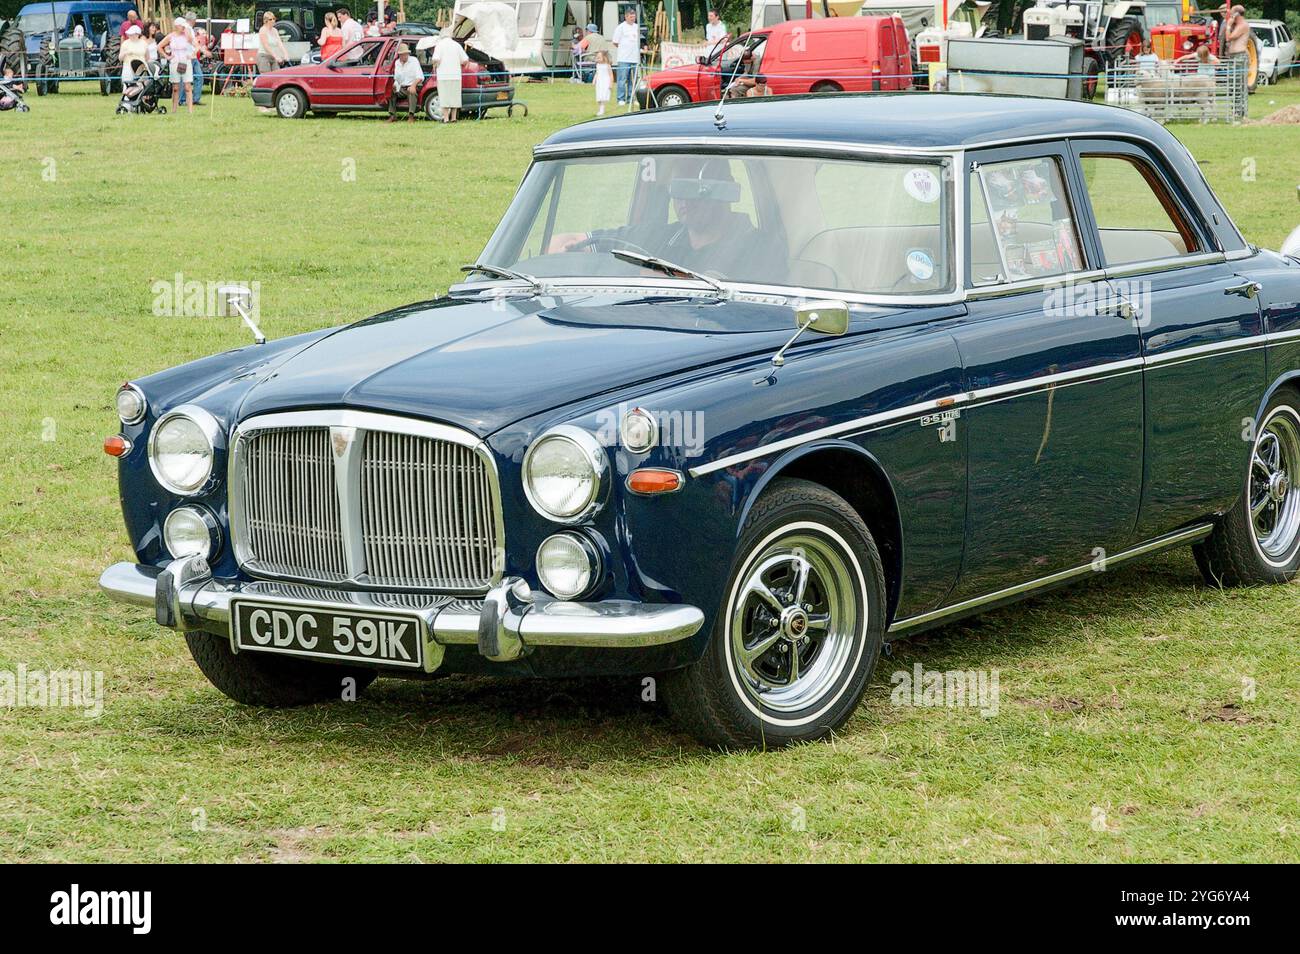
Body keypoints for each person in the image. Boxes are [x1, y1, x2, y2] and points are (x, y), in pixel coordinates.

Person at [159, 18, 196, 114]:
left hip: (186, 62)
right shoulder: (171, 36)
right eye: (181, 26)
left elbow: (195, 44)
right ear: (176, 26)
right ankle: (174, 110)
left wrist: (192, 54)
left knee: (188, 87)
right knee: (175, 88)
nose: (182, 27)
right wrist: (167, 56)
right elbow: (159, 46)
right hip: (175, 62)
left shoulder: (187, 36)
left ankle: (190, 110)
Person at [431, 28, 468, 122]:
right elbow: (465, 60)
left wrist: (435, 65)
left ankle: (446, 118)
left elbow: (436, 59)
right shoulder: (457, 45)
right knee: (454, 97)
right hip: (456, 75)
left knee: (444, 97)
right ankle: (454, 118)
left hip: (443, 75)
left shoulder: (439, 45)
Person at [611, 8, 641, 105]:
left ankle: (631, 98)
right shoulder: (621, 27)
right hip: (623, 58)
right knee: (622, 80)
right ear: (626, 16)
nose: (633, 18)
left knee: (633, 80)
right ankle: (621, 99)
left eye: (634, 17)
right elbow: (615, 42)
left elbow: (641, 41)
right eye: (631, 17)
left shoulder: (637, 27)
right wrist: (624, 48)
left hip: (635, 58)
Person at [387, 42, 422, 122]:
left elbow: (420, 77)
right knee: (391, 92)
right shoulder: (397, 63)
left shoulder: (414, 61)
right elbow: (397, 78)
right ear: (399, 55)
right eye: (402, 54)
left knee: (411, 91)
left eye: (405, 54)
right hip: (402, 87)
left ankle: (411, 116)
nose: (404, 56)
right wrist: (395, 85)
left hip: (413, 85)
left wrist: (413, 86)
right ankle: (393, 115)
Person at [177, 12, 205, 107]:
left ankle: (195, 99)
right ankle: (182, 99)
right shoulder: (186, 27)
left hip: (192, 56)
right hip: (185, 57)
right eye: (195, 19)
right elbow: (189, 40)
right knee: (184, 79)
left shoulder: (190, 29)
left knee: (199, 76)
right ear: (192, 20)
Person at [593, 49, 612, 115]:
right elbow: (597, 73)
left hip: (605, 82)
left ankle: (602, 108)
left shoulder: (607, 65)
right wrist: (594, 80)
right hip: (599, 82)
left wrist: (610, 84)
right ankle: (600, 108)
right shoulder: (597, 65)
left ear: (604, 58)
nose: (597, 59)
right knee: (599, 95)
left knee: (603, 95)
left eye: (599, 57)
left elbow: (611, 75)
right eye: (597, 57)